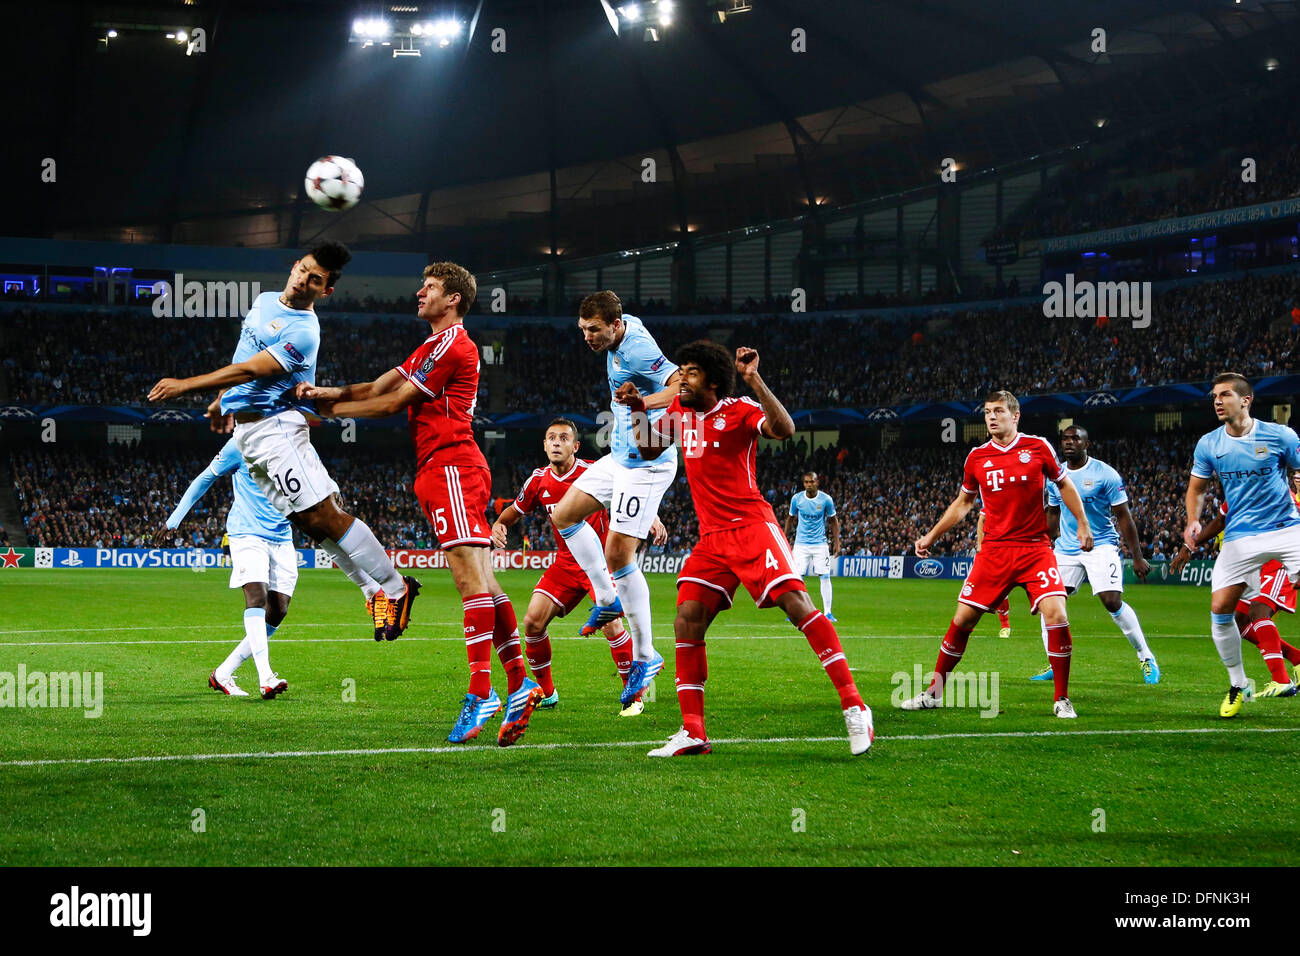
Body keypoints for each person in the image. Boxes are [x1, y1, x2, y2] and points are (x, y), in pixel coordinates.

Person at [300, 262, 542, 746]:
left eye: (428, 287)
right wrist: (324, 396)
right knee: (486, 582)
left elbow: (392, 404)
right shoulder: (431, 346)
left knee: (469, 582)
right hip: (448, 467)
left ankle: (482, 693)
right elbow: (376, 388)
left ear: (452, 298)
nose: (418, 292)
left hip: (451, 464)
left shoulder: (455, 343)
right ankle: (519, 683)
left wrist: (322, 412)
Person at [147, 240, 417, 643]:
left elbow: (250, 368)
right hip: (250, 434)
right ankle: (373, 591)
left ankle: (396, 588)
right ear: (293, 266)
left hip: (277, 429)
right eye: (302, 270)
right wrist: (224, 401)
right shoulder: (264, 301)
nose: (302, 281)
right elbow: (245, 354)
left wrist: (187, 385)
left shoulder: (305, 331)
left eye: (315, 280)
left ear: (326, 291)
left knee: (324, 514)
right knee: (308, 522)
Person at [629, 340, 874, 757]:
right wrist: (637, 408)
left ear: (712, 378)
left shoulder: (739, 409)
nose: (681, 379)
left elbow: (784, 430)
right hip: (711, 540)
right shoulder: (680, 415)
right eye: (681, 370)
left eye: (690, 371)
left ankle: (855, 706)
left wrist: (754, 378)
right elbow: (648, 447)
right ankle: (693, 731)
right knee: (687, 619)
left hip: (752, 527)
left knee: (795, 603)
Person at [902, 390, 1094, 719]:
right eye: (988, 412)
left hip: (1035, 549)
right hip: (994, 552)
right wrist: (932, 535)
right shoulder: (976, 457)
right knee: (962, 619)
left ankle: (1061, 698)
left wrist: (1083, 524)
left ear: (1015, 416)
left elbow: (1064, 485)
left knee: (1057, 614)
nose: (991, 417)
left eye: (999, 411)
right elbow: (963, 504)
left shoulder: (1037, 447)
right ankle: (933, 693)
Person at [549, 291, 683, 710]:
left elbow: (681, 385)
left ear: (615, 324)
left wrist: (643, 402)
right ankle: (607, 600)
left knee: (618, 554)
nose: (587, 337)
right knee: (564, 514)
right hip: (620, 457)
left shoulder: (639, 349)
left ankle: (646, 656)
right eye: (582, 329)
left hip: (648, 462)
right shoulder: (625, 330)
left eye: (594, 330)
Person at [491, 418, 666, 714]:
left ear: (576, 446)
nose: (557, 442)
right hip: (565, 563)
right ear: (544, 445)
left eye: (563, 438)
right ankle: (547, 692)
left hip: (600, 563)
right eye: (551, 438)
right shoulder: (538, 480)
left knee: (611, 623)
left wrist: (652, 516)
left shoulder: (593, 472)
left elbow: (631, 488)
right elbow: (514, 511)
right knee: (533, 622)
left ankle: (634, 697)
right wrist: (498, 523)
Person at [162, 437, 317, 699]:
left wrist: (334, 489)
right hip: (247, 532)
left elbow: (317, 475)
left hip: (282, 536)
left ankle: (222, 673)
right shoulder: (239, 444)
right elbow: (204, 478)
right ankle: (266, 677)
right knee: (256, 597)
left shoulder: (293, 440)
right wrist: (174, 519)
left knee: (278, 611)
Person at [1183, 373, 1300, 717]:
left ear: (1246, 400)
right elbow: (1197, 489)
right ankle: (1239, 684)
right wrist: (1193, 519)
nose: (1217, 401)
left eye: (1225, 395)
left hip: (1286, 530)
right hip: (1240, 537)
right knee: (1221, 610)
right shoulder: (1209, 444)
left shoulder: (1280, 435)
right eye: (1214, 396)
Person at [1029, 425, 1159, 685]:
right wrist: (1042, 544)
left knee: (1111, 601)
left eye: (1075, 439)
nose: (1068, 443)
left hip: (1101, 545)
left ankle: (1146, 657)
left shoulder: (1105, 474)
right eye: (1065, 439)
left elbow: (1124, 516)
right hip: (1066, 548)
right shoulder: (1055, 475)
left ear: (1086, 444)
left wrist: (1136, 555)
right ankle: (1055, 662)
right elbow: (1053, 513)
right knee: (1048, 604)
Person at [1176, 467, 1300, 700]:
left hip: (1277, 565)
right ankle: (1296, 658)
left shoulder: (1285, 500)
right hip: (1254, 566)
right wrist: (1189, 547)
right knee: (1238, 622)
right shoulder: (1239, 493)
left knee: (1259, 612)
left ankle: (1282, 681)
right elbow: (1219, 522)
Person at [784, 471, 839, 621]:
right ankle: (795, 611)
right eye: (806, 482)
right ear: (803, 484)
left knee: (825, 577)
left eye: (811, 482)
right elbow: (790, 518)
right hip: (801, 544)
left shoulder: (826, 500)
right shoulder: (797, 499)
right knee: (796, 577)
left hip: (820, 544)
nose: (809, 484)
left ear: (817, 482)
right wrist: (784, 537)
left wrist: (837, 543)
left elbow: (834, 522)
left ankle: (828, 612)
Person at [975, 509, 1012, 637]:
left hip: (1009, 550)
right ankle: (967, 623)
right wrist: (980, 543)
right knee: (972, 586)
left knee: (1002, 589)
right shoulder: (994, 497)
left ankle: (1005, 626)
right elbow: (981, 519)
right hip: (989, 550)